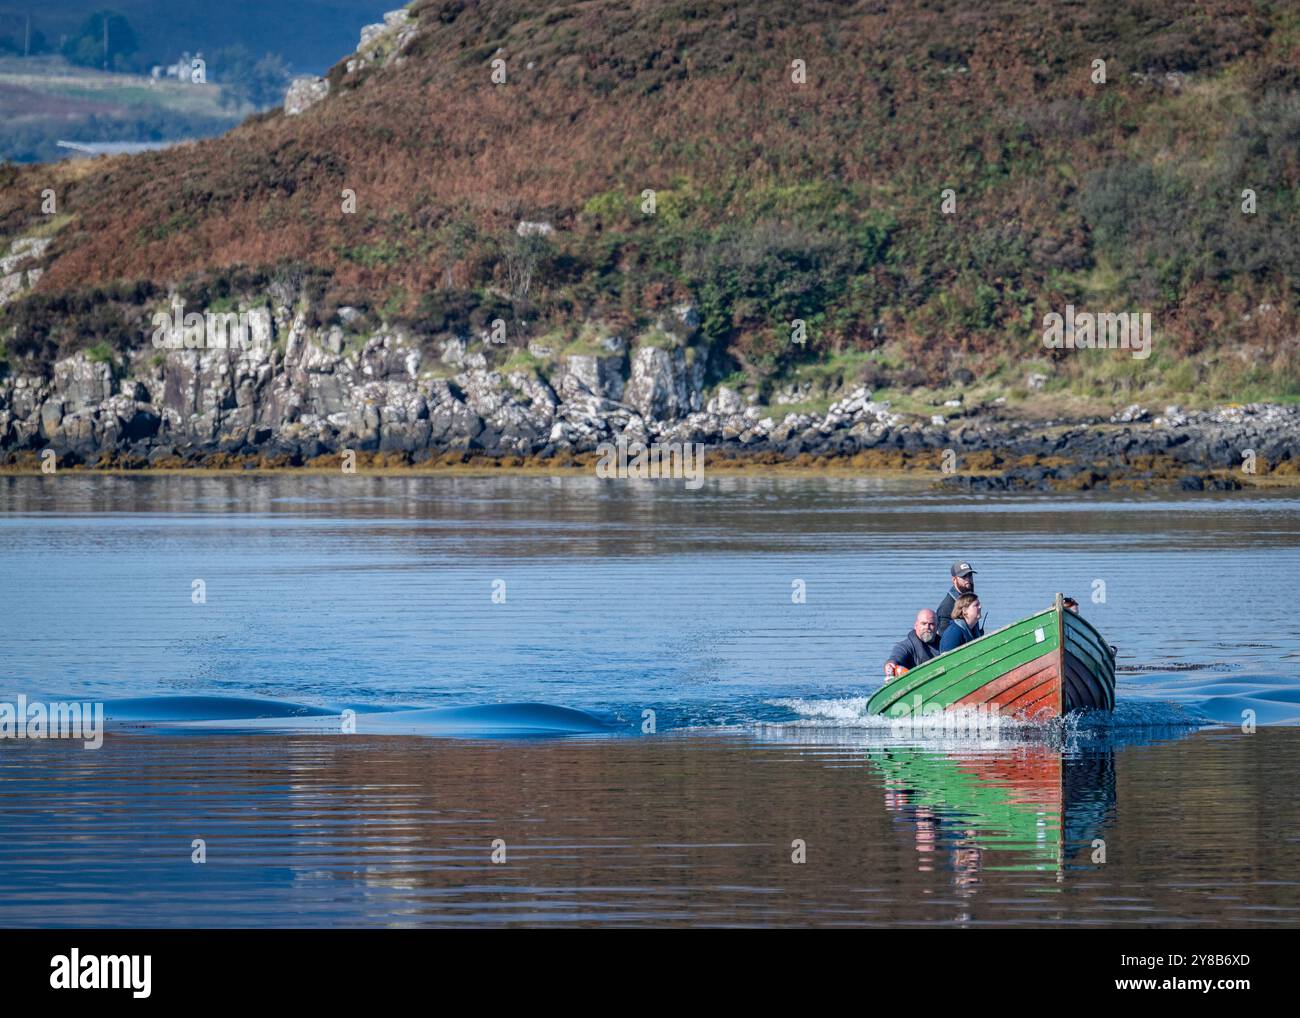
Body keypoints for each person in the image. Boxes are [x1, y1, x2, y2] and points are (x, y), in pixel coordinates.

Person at [884, 609, 941, 680]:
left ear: (937, 626)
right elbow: (895, 658)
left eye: (931, 624)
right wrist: (890, 666)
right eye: (923, 624)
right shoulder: (905, 646)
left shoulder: (944, 644)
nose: (927, 627)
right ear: (916, 625)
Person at [936, 561, 976, 638]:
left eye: (970, 575)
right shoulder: (946, 607)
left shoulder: (972, 601)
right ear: (954, 580)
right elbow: (944, 639)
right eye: (964, 576)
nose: (968, 579)